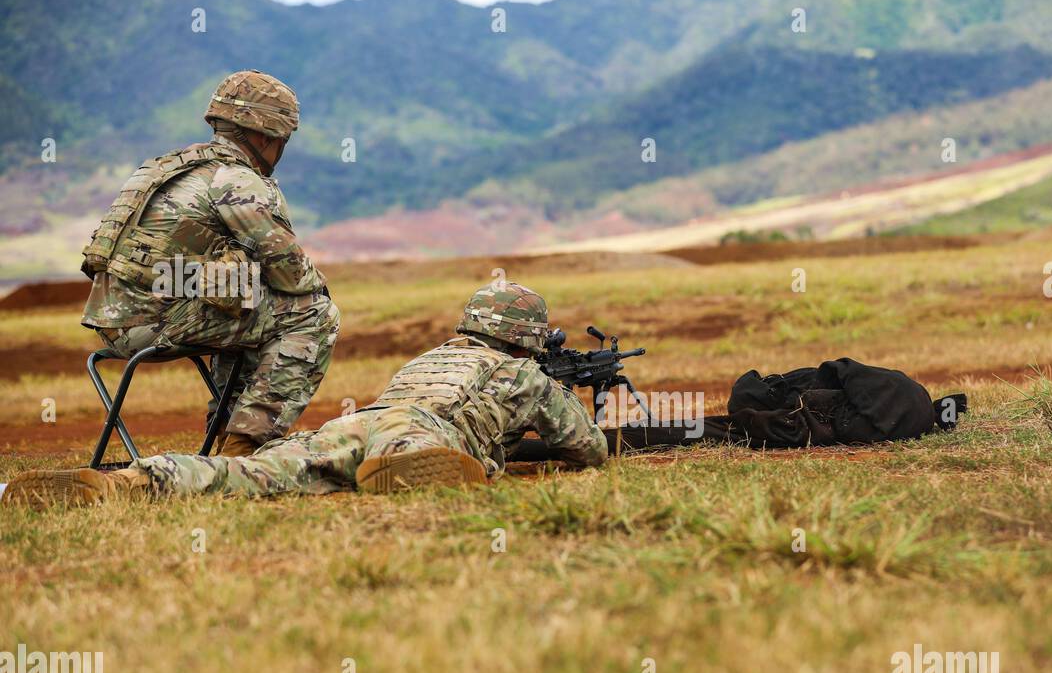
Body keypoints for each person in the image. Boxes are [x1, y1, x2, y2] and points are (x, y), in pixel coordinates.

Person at [3, 284, 607, 507]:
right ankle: (408, 474)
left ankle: (128, 482)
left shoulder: (433, 357)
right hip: (421, 433)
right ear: (526, 338)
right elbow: (587, 450)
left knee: (251, 475)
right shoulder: (528, 378)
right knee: (417, 455)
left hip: (354, 425)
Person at [78, 69, 340, 457]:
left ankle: (228, 431)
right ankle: (244, 447)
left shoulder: (169, 168)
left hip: (113, 321)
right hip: (153, 323)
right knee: (315, 313)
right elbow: (292, 275)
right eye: (282, 139)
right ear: (265, 136)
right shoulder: (236, 181)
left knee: (242, 296)